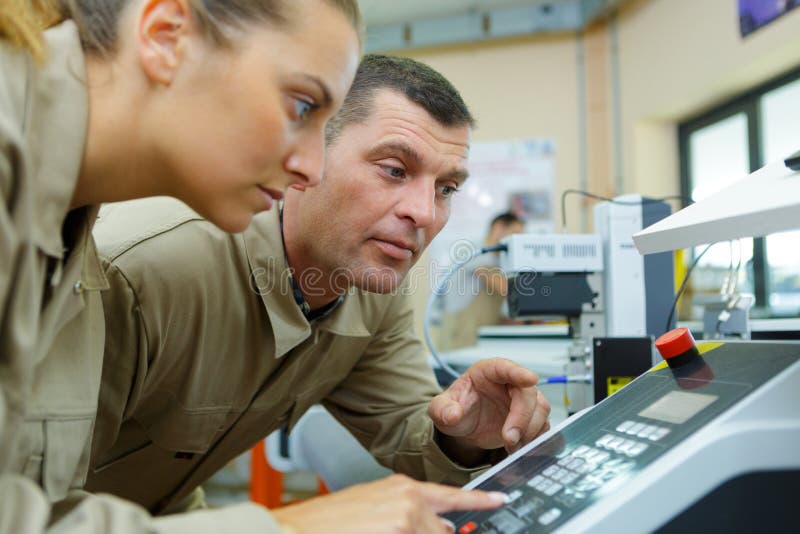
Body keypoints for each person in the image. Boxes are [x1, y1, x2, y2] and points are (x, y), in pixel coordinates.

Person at [87, 54, 552, 533]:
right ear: (304, 159)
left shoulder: (372, 289)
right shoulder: (139, 272)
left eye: (446, 188)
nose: (425, 213)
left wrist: (465, 435)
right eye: (394, 170)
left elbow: (405, 429)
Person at [0, 0, 361, 531]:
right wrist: (291, 528)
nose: (312, 168)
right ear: (167, 37)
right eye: (303, 106)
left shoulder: (66, 243)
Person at [440, 212, 526, 350]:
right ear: (498, 228)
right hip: (461, 330)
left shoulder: (499, 261)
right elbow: (505, 288)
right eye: (515, 234)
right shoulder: (475, 251)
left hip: (481, 334)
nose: (516, 242)